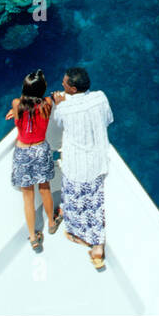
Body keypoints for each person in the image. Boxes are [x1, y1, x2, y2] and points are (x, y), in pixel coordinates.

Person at [51, 66, 113, 270]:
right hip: (97, 161)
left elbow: (60, 122)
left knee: (76, 202)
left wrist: (60, 103)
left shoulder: (65, 108)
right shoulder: (101, 97)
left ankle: (78, 235)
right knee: (95, 203)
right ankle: (98, 248)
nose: (62, 84)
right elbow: (109, 119)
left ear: (73, 88)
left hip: (77, 164)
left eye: (65, 83)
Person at [4, 69, 61, 252]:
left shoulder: (16, 103)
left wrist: (15, 111)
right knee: (45, 189)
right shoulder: (46, 104)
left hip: (23, 152)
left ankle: (33, 237)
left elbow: (21, 106)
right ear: (42, 89)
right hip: (40, 149)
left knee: (27, 197)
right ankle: (52, 223)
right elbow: (55, 97)